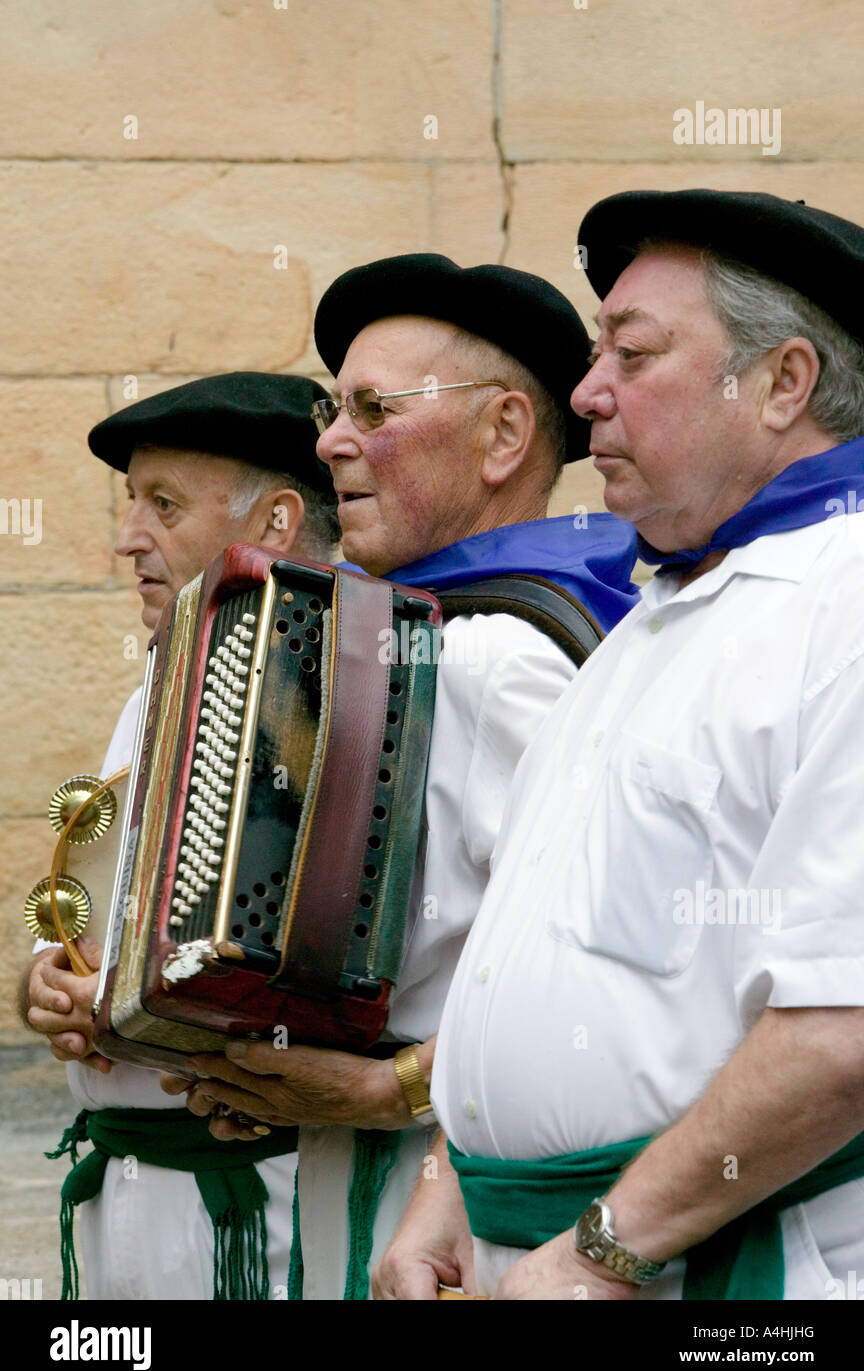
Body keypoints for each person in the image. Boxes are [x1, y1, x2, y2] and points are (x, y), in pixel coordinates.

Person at [373, 190, 864, 1302]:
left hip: (723, 1273)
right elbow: (548, 950)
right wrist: (443, 1201)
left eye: (631, 355)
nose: (587, 392)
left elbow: (843, 1029)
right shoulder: (655, 617)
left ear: (782, 383)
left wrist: (603, 1251)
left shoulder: (846, 603)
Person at [162, 254, 640, 1299]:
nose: (331, 441)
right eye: (336, 409)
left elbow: (611, 965)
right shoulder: (429, 635)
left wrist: (387, 1090)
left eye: (373, 408)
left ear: (504, 434)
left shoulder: (496, 652)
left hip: (457, 1207)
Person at [21, 371, 339, 1300]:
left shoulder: (336, 691)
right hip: (127, 1191)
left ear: (276, 522)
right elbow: (78, 888)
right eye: (132, 505)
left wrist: (156, 1017)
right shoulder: (154, 681)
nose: (128, 540)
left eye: (163, 505)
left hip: (257, 1206)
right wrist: (45, 979)